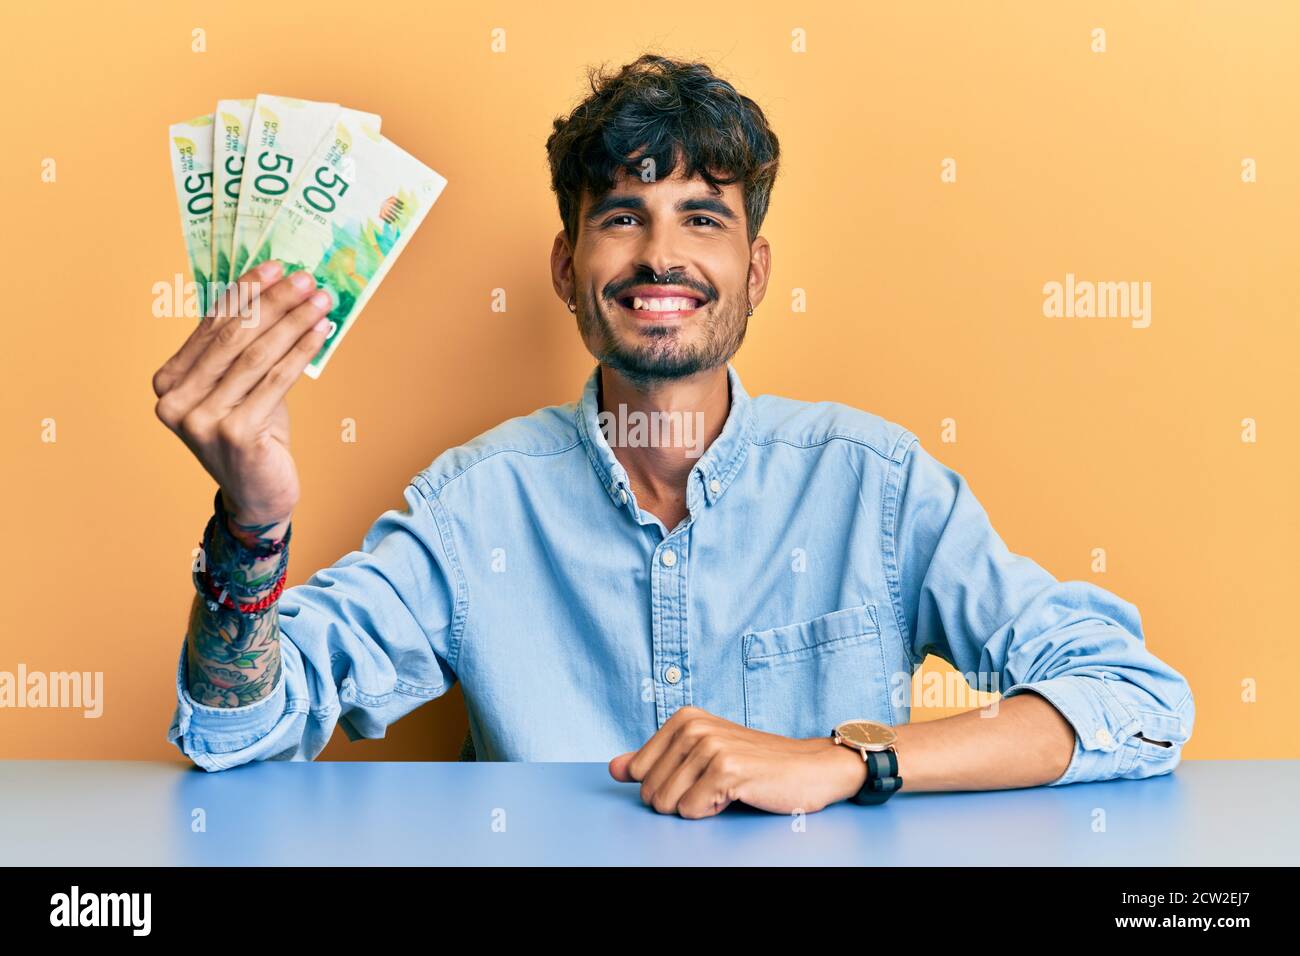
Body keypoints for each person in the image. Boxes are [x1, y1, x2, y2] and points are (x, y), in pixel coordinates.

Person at [154, 53, 1193, 819]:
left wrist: (845, 757)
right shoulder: (475, 509)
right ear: (567, 267)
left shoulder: (874, 486)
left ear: (756, 269)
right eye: (622, 215)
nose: (661, 256)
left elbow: (1135, 701)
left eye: (702, 217)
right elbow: (234, 732)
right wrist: (251, 522)